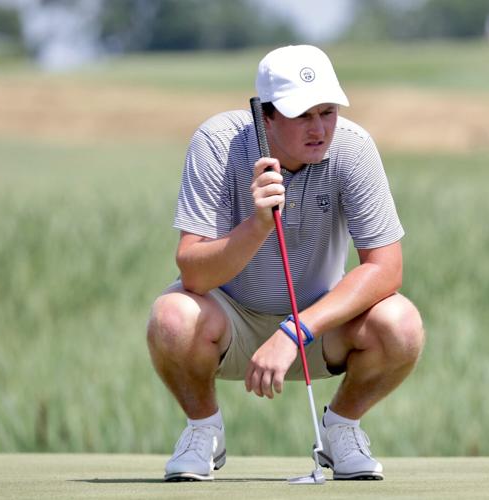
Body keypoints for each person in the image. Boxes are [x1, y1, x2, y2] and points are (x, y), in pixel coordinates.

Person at [146, 44, 424, 482]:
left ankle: (342, 429)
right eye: (303, 116)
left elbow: (386, 268)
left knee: (402, 324)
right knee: (171, 316)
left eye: (327, 112)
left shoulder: (353, 148)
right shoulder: (217, 143)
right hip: (229, 323)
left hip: (317, 327)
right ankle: (204, 431)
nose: (320, 129)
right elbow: (193, 273)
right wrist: (256, 226)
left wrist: (297, 329)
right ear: (266, 116)